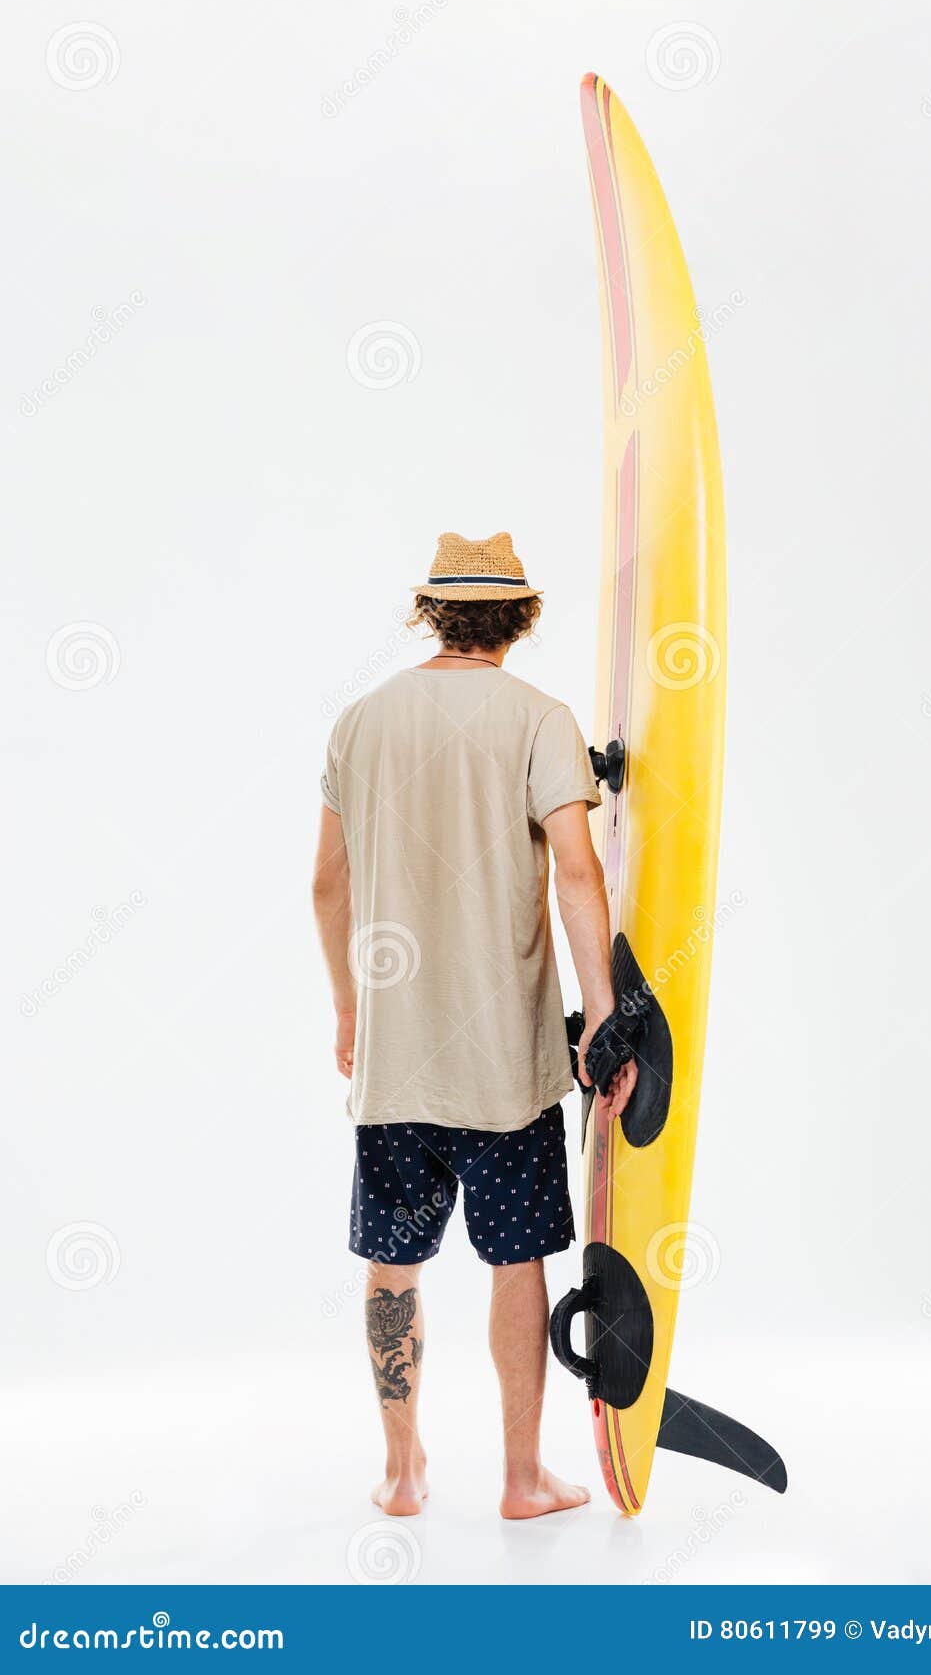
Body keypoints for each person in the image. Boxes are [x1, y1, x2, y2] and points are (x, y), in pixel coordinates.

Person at [312, 531, 636, 1520]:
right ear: (518, 617)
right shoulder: (538, 717)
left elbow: (327, 884)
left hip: (395, 1060)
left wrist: (348, 1008)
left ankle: (403, 1472)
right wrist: (605, 1018)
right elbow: (576, 874)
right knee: (515, 1261)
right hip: (506, 1061)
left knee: (392, 1258)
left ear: (432, 611)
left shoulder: (360, 722)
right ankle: (520, 1479)